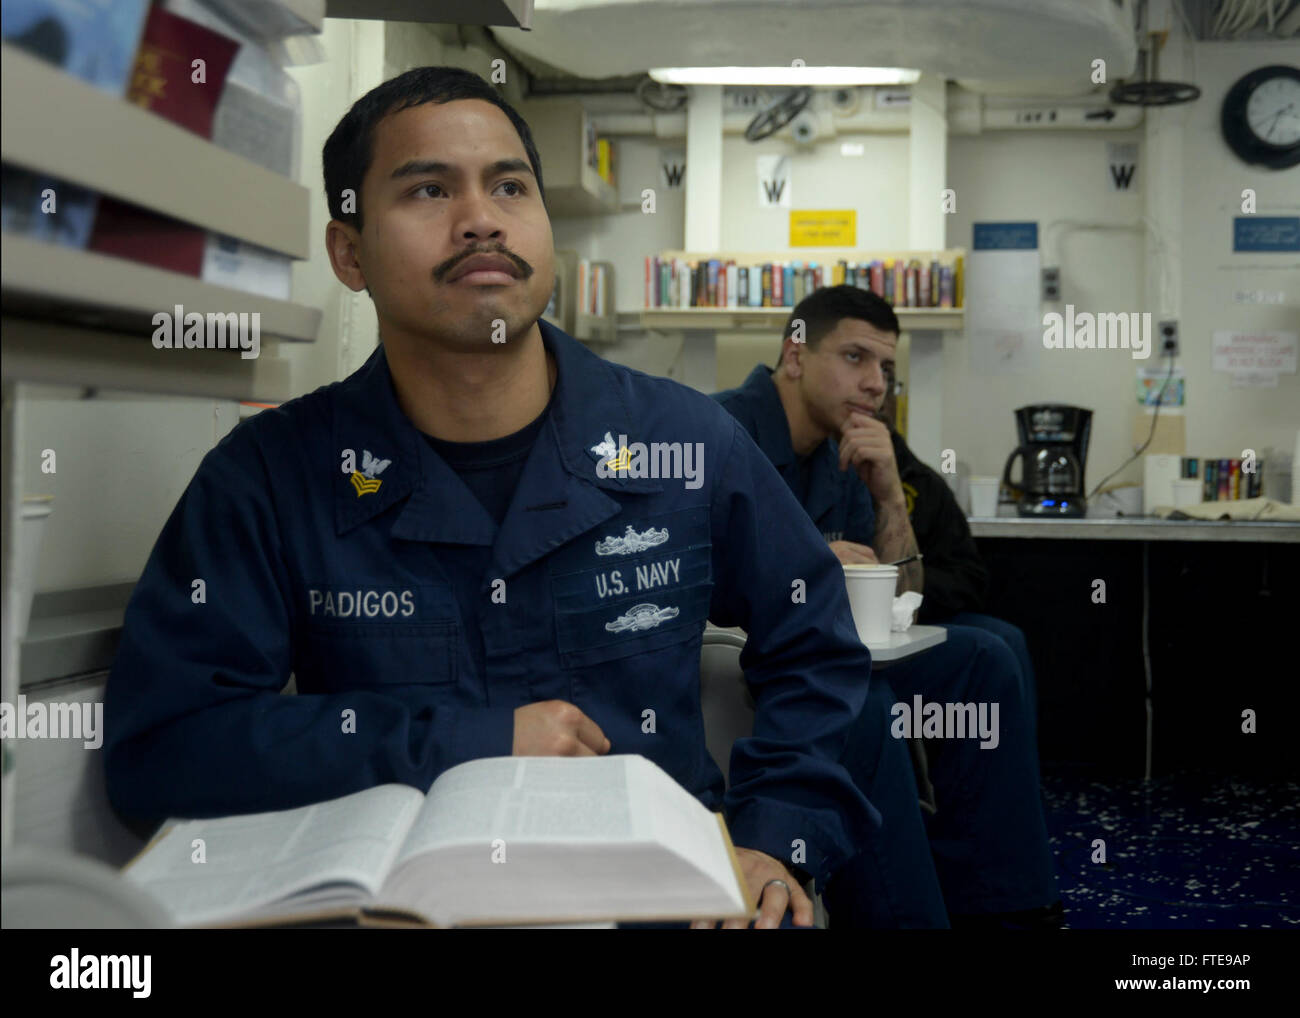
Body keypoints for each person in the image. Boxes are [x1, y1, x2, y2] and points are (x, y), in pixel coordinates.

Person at [104, 66, 932, 930]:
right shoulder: (272, 476)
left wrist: (774, 836)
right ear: (350, 253)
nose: (482, 217)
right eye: (429, 188)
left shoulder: (684, 444)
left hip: (663, 904)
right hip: (411, 909)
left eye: (509, 185)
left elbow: (816, 645)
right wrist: (462, 745)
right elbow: (164, 748)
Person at [714, 285, 1062, 928]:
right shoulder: (721, 429)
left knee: (983, 658)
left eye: (886, 370)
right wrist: (812, 559)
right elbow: (696, 574)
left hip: (836, 650)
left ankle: (1001, 900)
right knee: (862, 701)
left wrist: (889, 502)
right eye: (855, 358)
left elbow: (904, 599)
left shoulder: (849, 451)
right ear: (795, 355)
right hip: (754, 658)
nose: (875, 384)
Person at [873, 381, 1039, 727]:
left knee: (1007, 638)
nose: (876, 390)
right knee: (989, 651)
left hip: (922, 610)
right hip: (855, 621)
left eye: (887, 378)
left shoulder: (921, 482)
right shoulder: (824, 468)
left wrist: (910, 593)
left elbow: (970, 577)